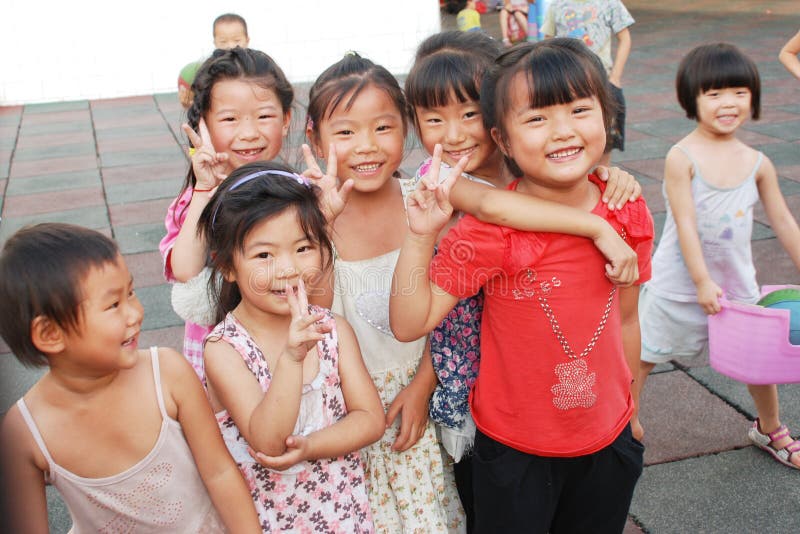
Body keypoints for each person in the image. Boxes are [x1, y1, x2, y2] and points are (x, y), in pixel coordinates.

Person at [390, 38, 654, 533]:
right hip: (513, 451)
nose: (562, 131)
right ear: (504, 140)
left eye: (580, 109)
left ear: (607, 116)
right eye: (536, 119)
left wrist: (633, 412)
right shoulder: (490, 230)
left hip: (609, 438)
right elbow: (409, 322)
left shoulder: (627, 208)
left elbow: (627, 317)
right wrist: (419, 236)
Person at [0, 223, 261, 533]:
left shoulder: (167, 373)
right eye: (114, 304)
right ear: (50, 334)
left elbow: (219, 471)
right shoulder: (25, 432)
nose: (136, 312)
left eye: (131, 292)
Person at [304, 52, 466, 532]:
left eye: (383, 127)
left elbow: (453, 315)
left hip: (418, 397)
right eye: (346, 132)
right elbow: (314, 317)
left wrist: (422, 386)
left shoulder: (428, 201)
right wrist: (320, 229)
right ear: (314, 136)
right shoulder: (307, 215)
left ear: (408, 129)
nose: (367, 146)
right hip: (344, 407)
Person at [194, 161, 385, 530]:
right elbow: (268, 441)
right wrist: (293, 358)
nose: (288, 269)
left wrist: (312, 447)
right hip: (269, 520)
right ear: (227, 266)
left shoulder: (332, 330)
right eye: (264, 255)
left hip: (342, 515)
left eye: (303, 248)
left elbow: (370, 419)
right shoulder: (224, 349)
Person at [637, 43, 800, 470]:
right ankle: (623, 424)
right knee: (645, 354)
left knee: (760, 363)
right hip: (679, 283)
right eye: (713, 93)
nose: (728, 102)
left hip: (735, 283)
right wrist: (700, 280)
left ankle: (769, 427)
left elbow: (782, 220)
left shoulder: (756, 161)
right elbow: (686, 222)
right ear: (691, 99)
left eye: (739, 92)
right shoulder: (682, 156)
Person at [160, 47, 294, 381]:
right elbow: (185, 269)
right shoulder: (195, 200)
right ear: (203, 123)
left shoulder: (299, 191)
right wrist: (205, 192)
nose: (249, 133)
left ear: (286, 119)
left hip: (287, 346)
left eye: (264, 116)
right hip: (218, 357)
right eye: (230, 119)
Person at [541, 0, 634, 167]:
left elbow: (625, 38)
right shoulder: (557, 6)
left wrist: (616, 76)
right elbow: (547, 43)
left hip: (603, 80)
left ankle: (602, 178)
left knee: (607, 138)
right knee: (570, 136)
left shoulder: (610, 4)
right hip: (567, 84)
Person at [178, 13, 250, 109]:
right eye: (223, 41)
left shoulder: (256, 66)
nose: (230, 46)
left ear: (247, 40)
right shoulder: (209, 70)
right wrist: (188, 103)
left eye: (237, 40)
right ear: (215, 42)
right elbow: (200, 102)